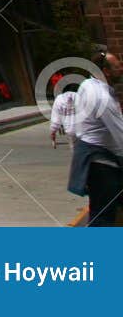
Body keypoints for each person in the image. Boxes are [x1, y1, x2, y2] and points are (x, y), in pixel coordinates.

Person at [67, 52, 123, 227]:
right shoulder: (102, 98)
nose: (121, 68)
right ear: (105, 71)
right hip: (102, 163)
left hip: (97, 157)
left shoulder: (88, 84)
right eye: (117, 66)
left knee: (106, 209)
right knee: (103, 215)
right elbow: (121, 136)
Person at [51, 73, 79, 146]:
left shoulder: (59, 99)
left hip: (70, 130)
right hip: (83, 128)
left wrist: (53, 131)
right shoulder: (79, 96)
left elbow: (55, 119)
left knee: (75, 150)